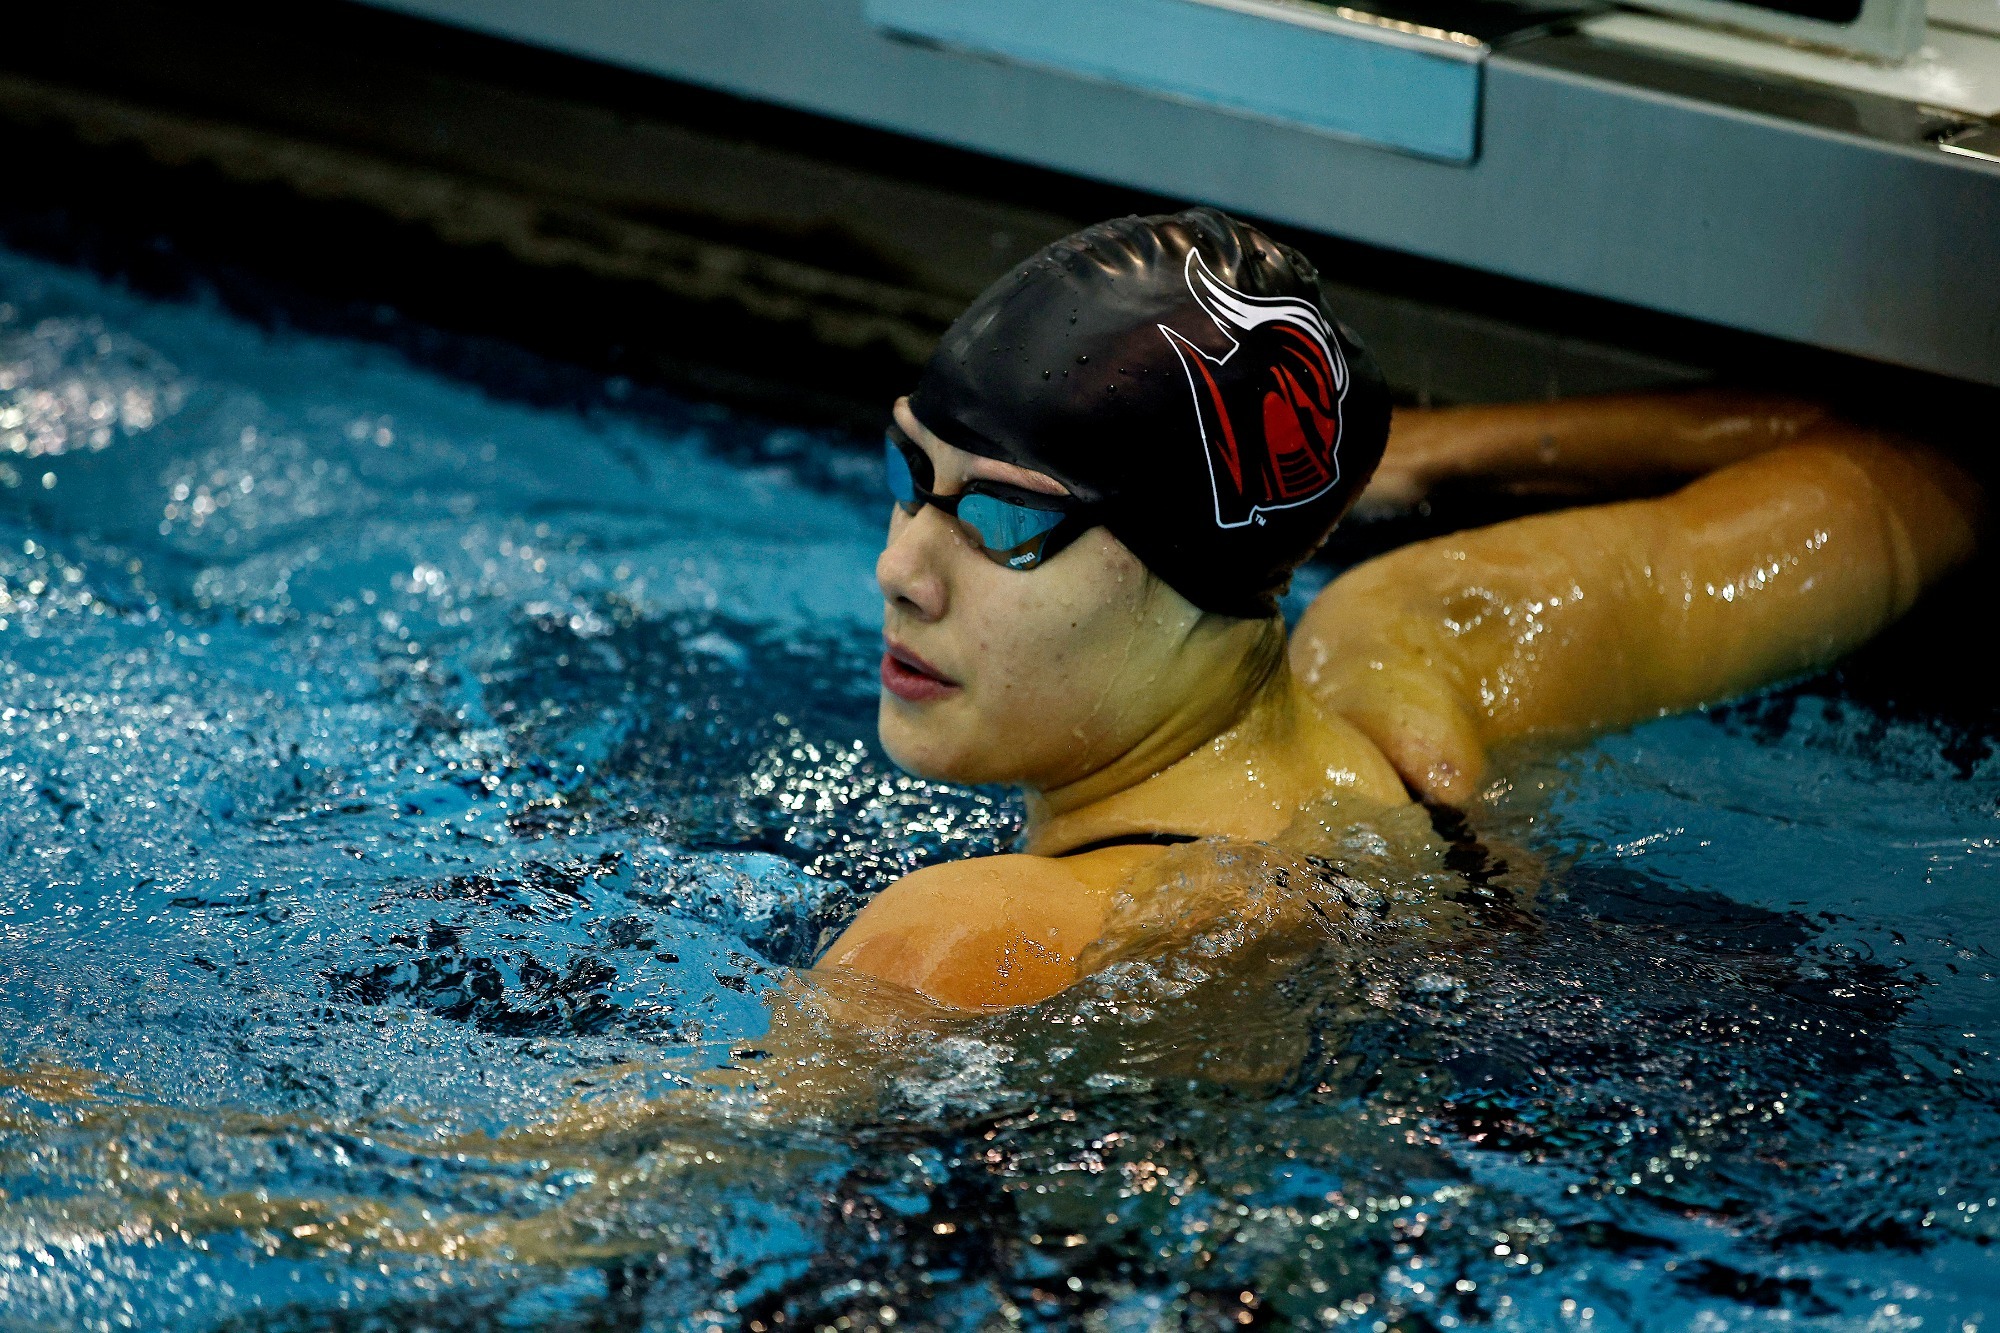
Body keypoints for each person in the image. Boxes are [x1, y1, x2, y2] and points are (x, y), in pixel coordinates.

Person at [818, 208, 1981, 1012]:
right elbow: (1908, 468)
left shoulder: (968, 940)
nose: (902, 568)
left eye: (1007, 521)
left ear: (1193, 563)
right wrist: (1385, 463)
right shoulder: (1431, 656)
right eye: (906, 474)